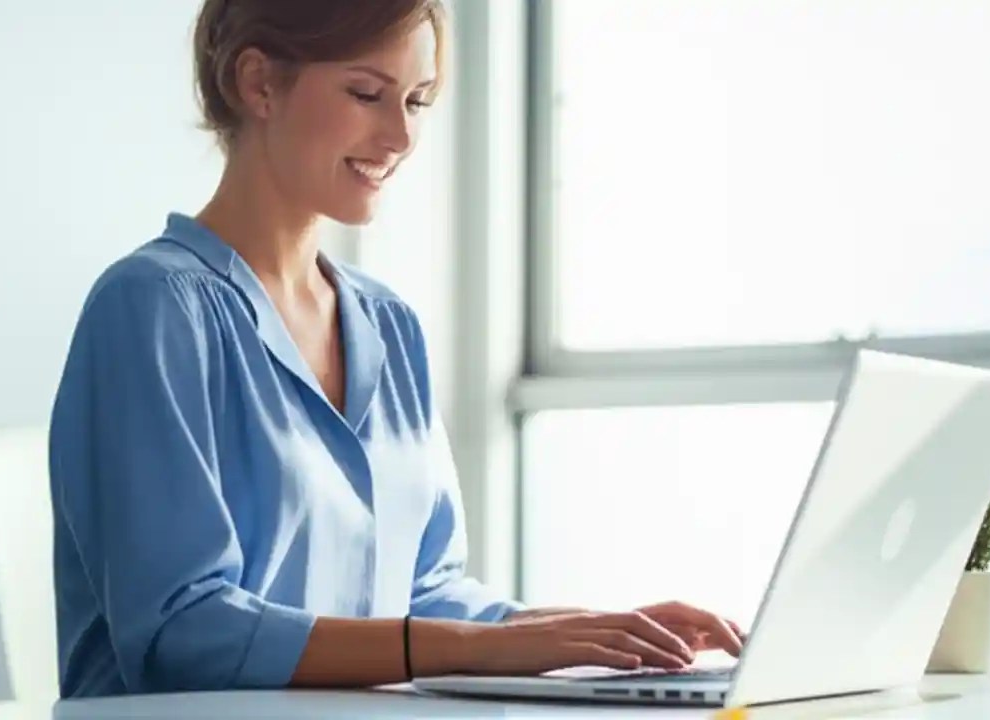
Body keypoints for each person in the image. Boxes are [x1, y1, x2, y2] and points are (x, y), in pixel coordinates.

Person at [48, 0, 744, 698]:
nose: (402, 135)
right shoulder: (152, 307)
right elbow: (181, 634)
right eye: (366, 94)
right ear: (258, 83)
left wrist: (597, 635)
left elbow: (425, 596)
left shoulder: (388, 324)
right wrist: (493, 646)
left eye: (416, 100)